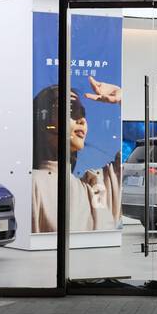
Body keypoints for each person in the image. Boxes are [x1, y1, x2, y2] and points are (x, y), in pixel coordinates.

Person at [29, 76, 123, 233]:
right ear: (42, 120)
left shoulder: (94, 185)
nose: (82, 120)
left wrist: (121, 98)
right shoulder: (34, 184)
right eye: (71, 109)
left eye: (83, 112)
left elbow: (143, 157)